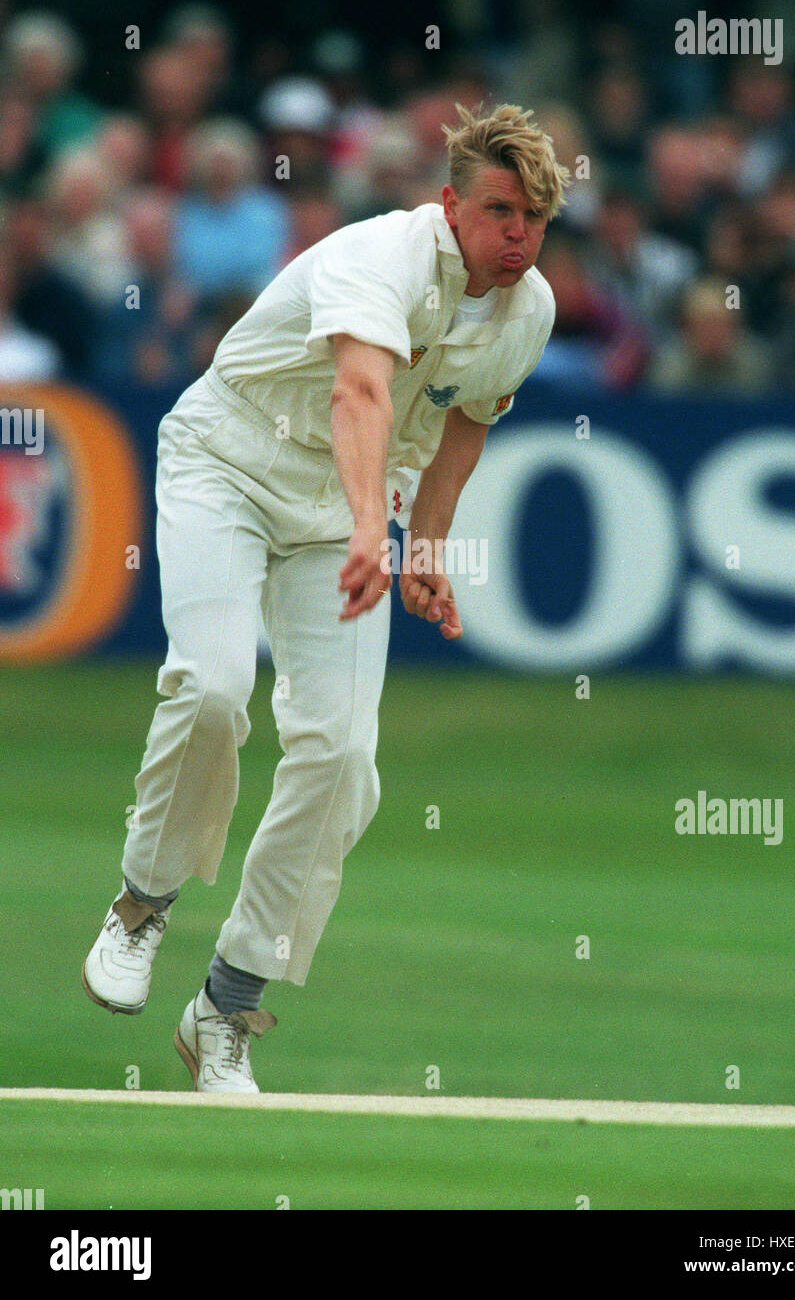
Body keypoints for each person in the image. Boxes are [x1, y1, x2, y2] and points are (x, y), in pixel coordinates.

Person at [82, 102, 567, 1092]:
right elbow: (362, 395)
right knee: (213, 688)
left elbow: (465, 421)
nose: (517, 236)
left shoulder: (530, 310)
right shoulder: (375, 257)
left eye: (536, 218)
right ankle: (141, 903)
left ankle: (224, 1009)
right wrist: (366, 528)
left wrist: (422, 542)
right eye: (501, 211)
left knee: (344, 759)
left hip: (341, 511)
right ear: (450, 205)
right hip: (226, 461)